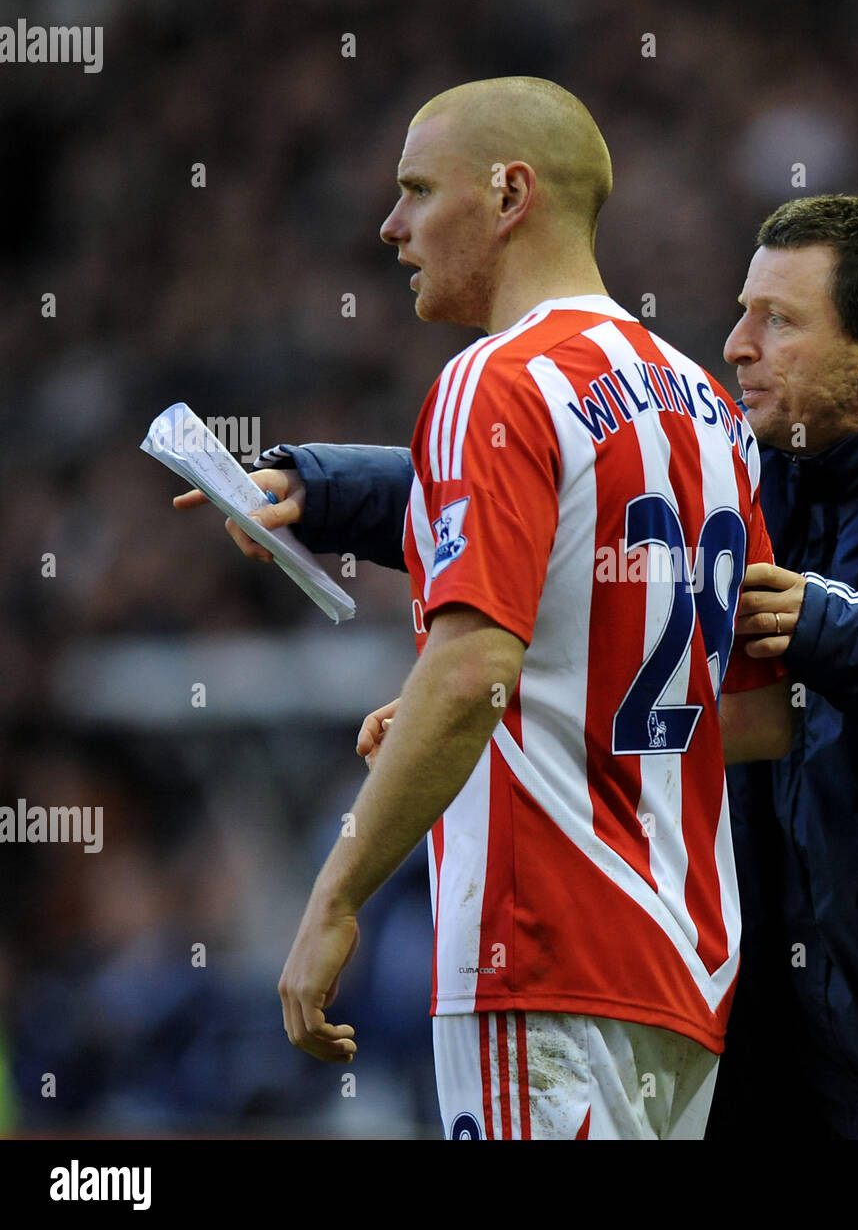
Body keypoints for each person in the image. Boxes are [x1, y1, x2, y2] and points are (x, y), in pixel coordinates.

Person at [184, 193, 858, 1139]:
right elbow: (556, 487)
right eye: (741, 311)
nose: (735, 344)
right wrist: (320, 489)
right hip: (805, 1048)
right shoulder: (757, 472)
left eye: (777, 321)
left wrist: (834, 626)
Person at [222, 77, 793, 1141]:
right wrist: (505, 718)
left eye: (415, 190)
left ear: (509, 192)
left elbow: (473, 665)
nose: (391, 226)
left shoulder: (493, 381)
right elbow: (754, 715)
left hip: (539, 951)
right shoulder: (707, 406)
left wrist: (336, 897)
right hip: (688, 971)